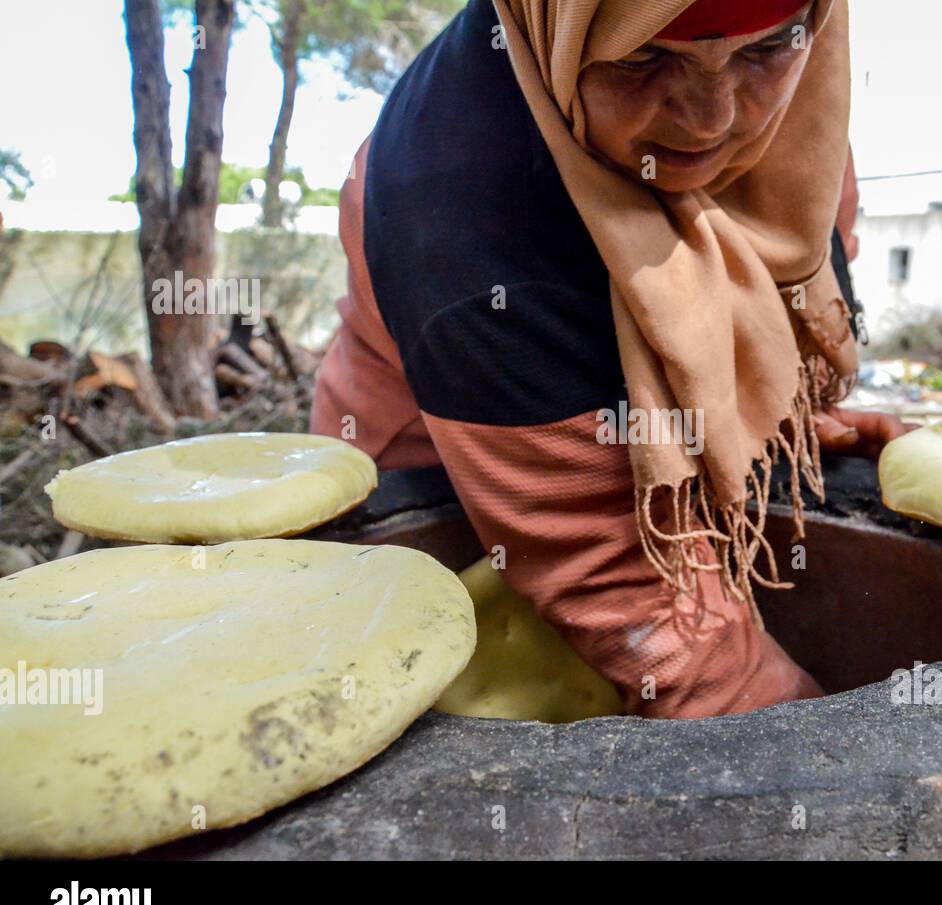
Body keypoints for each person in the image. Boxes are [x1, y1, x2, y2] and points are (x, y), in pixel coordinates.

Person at [311, 0, 911, 718]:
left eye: (767, 49)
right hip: (446, 475)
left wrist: (767, 415)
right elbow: (631, 596)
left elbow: (775, 302)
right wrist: (825, 765)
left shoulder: (803, 117)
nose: (712, 119)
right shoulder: (456, 195)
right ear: (558, 32)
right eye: (643, 59)